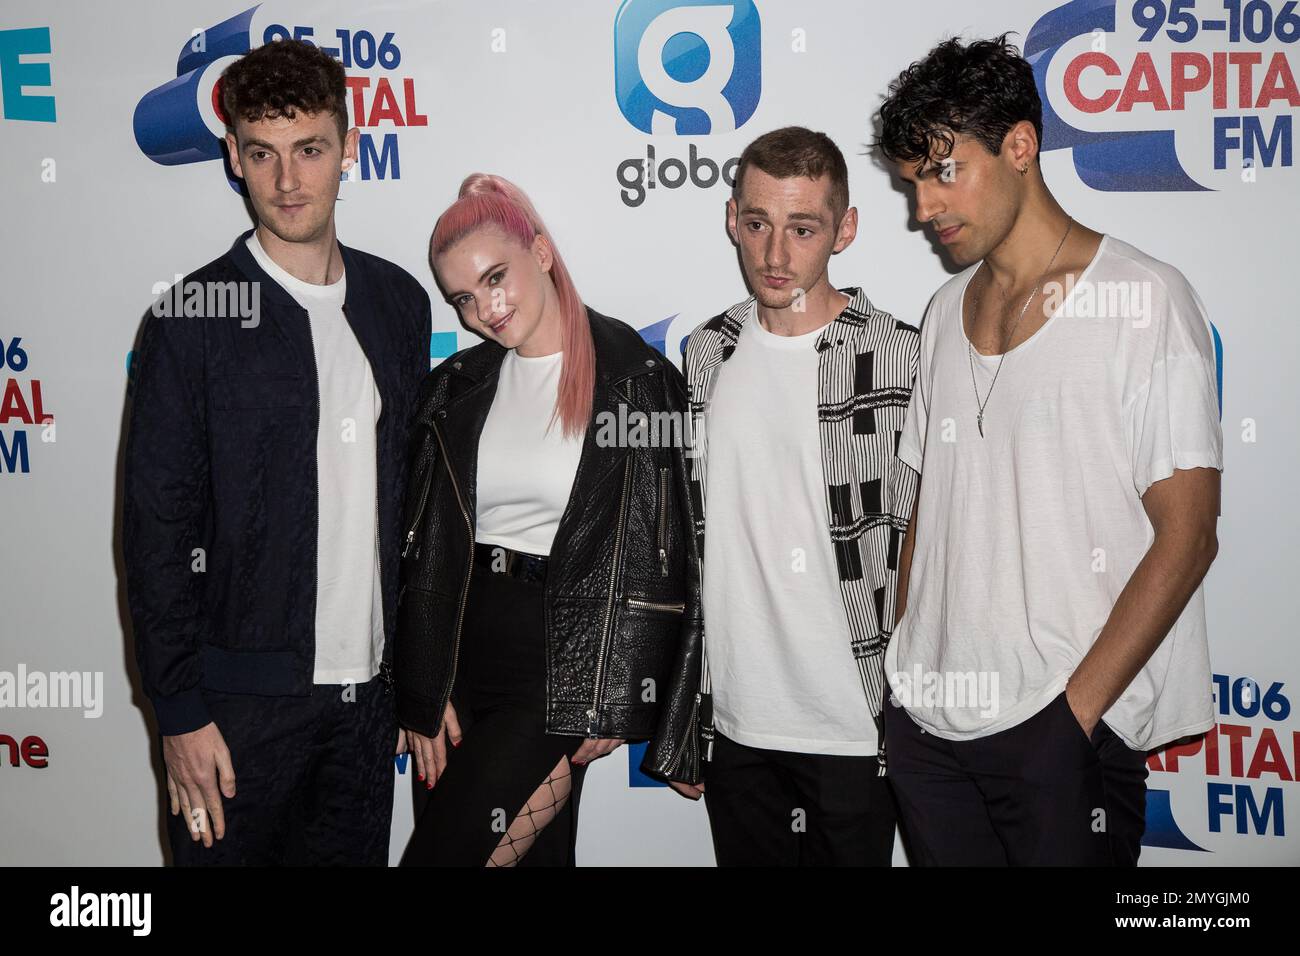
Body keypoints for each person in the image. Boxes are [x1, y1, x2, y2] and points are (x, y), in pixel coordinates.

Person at [876, 34, 1223, 866]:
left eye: (943, 171)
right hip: (928, 732)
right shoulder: (943, 312)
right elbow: (930, 506)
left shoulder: (1145, 299)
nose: (924, 208)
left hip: (1059, 734)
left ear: (1021, 146)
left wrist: (1071, 717)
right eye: (914, 183)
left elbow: (1188, 536)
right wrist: (903, 672)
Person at [123, 39, 430, 865]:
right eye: (263, 154)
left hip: (366, 709)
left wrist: (419, 680)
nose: (288, 180)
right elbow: (157, 532)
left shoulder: (398, 303)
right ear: (234, 157)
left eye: (310, 150)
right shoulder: (191, 318)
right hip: (233, 714)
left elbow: (414, 506)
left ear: (349, 147)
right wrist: (179, 712)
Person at [396, 173, 702, 866]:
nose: (484, 310)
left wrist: (615, 688)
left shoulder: (638, 382)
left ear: (540, 252)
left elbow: (676, 551)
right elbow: (418, 547)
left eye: (495, 278)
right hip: (459, 653)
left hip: (560, 664)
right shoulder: (454, 387)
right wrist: (422, 680)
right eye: (463, 298)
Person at [649, 127, 920, 866]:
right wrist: (691, 711)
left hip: (858, 726)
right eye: (758, 224)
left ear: (845, 229)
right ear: (731, 219)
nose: (774, 254)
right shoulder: (707, 353)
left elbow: (929, 545)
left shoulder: (901, 357)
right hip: (737, 725)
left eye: (803, 229)